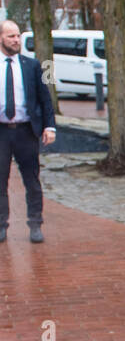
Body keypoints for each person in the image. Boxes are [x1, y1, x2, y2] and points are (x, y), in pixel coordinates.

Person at [0, 20, 56, 244]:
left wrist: (49, 126)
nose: (16, 40)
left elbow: (45, 99)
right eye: (11, 36)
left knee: (32, 180)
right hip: (1, 133)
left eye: (18, 36)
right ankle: (1, 225)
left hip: (26, 131)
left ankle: (35, 224)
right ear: (1, 38)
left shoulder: (33, 65)